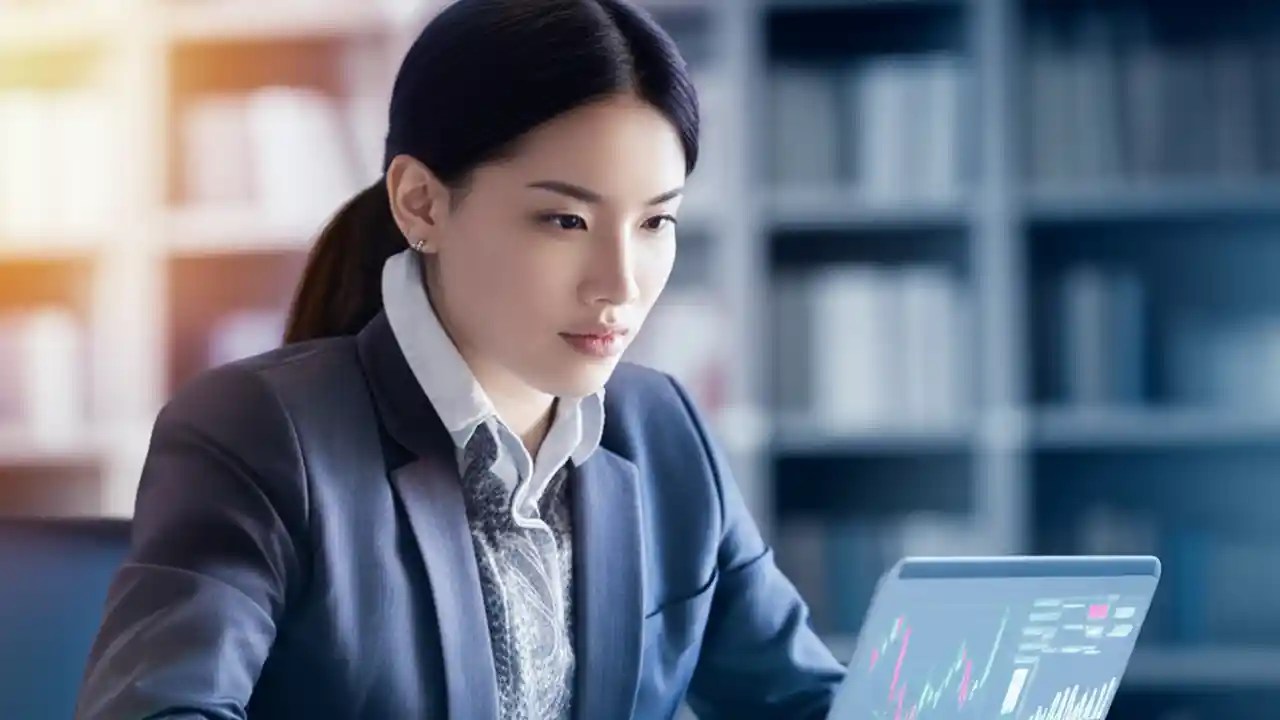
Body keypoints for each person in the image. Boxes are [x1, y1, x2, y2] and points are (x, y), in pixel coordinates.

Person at [74, 0, 846, 717]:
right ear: (422, 203)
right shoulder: (261, 433)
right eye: (565, 220)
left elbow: (808, 703)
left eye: (655, 224)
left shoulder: (664, 431)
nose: (620, 284)